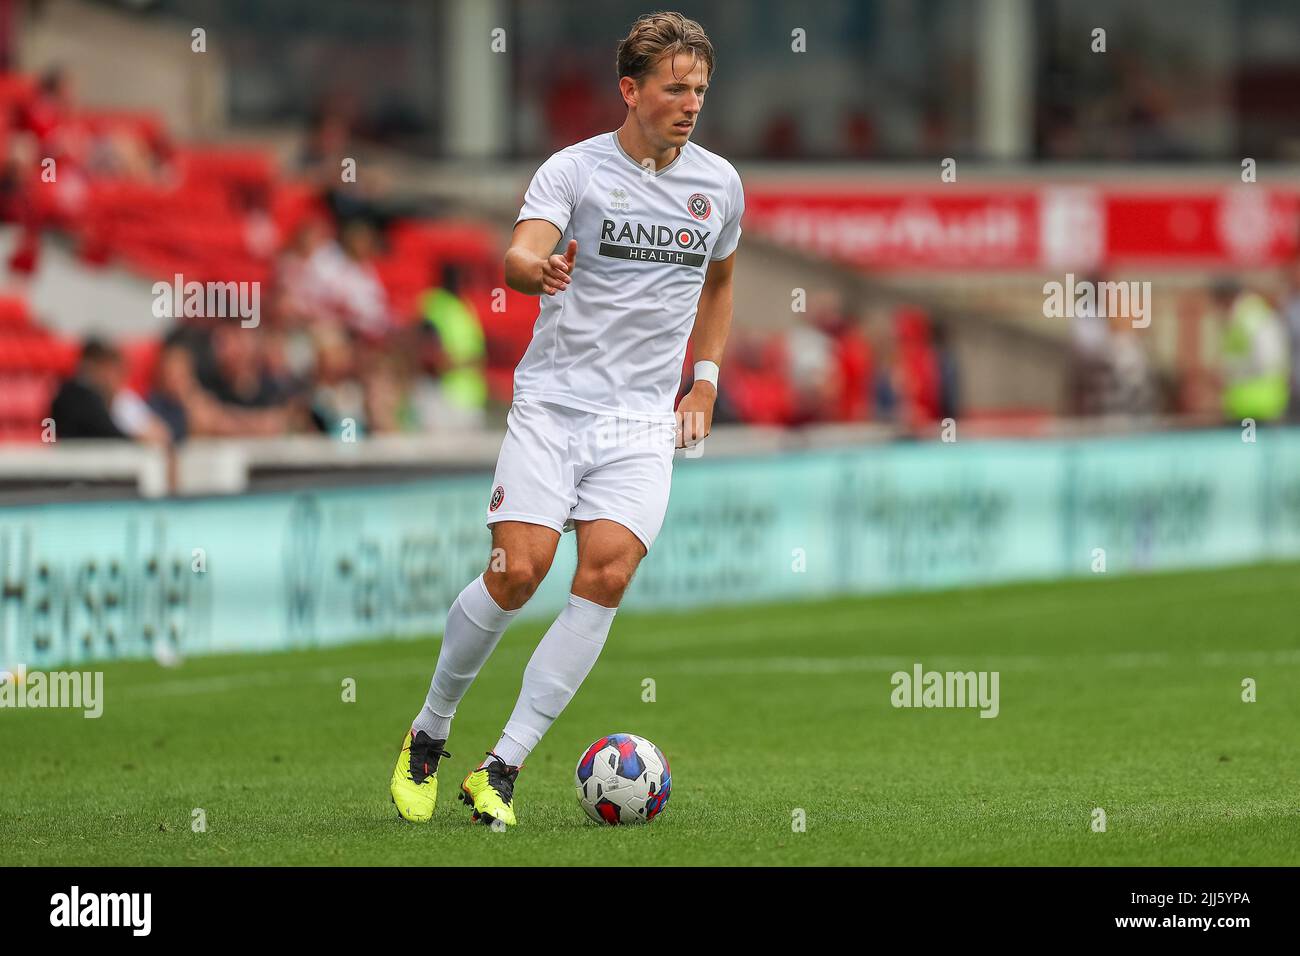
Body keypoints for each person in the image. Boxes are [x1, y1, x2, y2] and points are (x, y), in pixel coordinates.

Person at [389, 11, 744, 827]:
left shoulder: (718, 185)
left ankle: (502, 767)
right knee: (520, 573)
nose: (692, 103)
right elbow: (519, 252)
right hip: (555, 407)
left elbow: (720, 282)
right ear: (630, 90)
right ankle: (429, 731)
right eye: (675, 88)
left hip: (640, 422)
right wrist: (534, 267)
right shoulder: (574, 171)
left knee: (607, 574)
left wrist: (706, 380)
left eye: (700, 89)